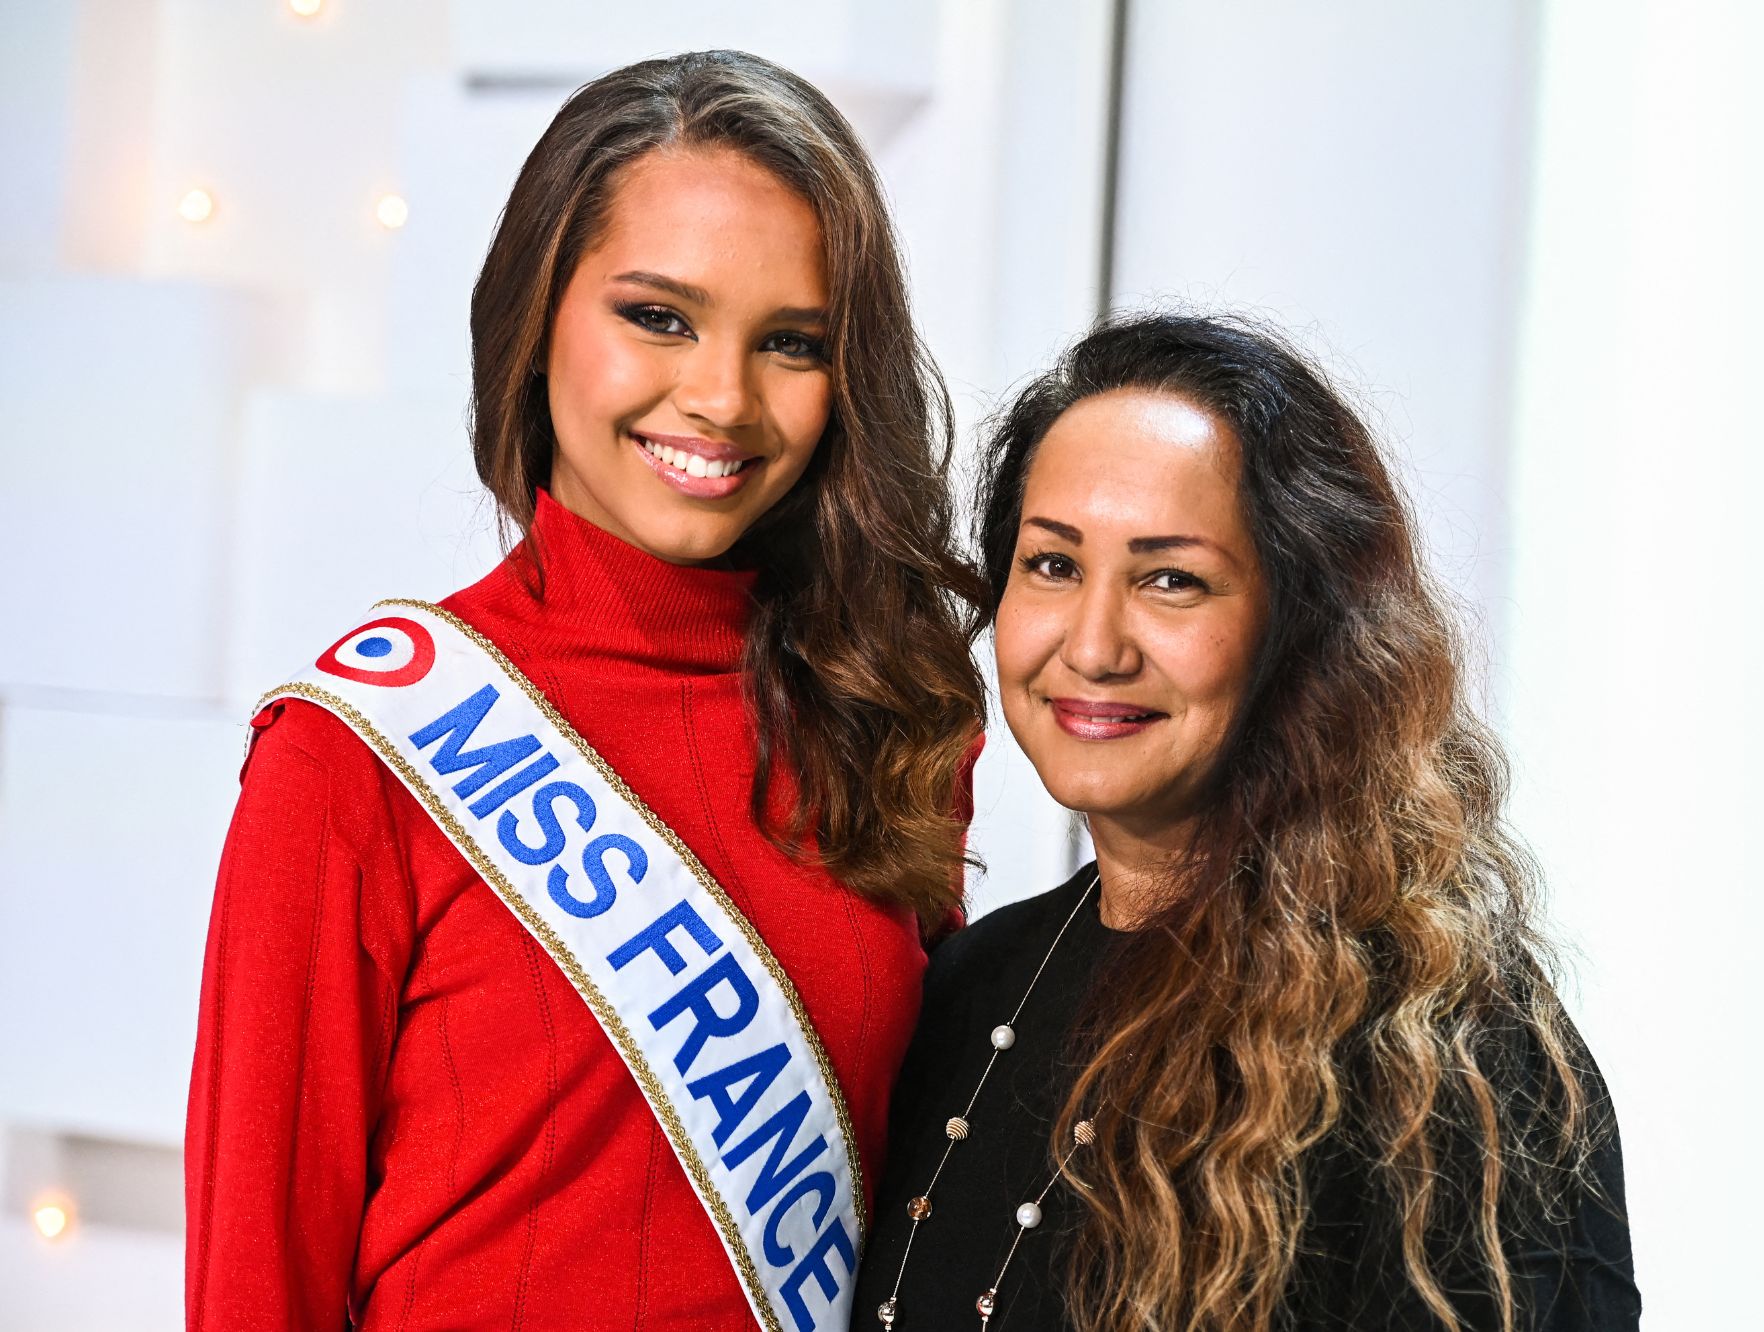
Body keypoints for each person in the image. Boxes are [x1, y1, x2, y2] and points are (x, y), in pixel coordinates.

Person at [186, 51, 984, 1331]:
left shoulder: (888, 721)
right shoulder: (357, 752)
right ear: (535, 312)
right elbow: (253, 1287)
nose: (721, 400)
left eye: (790, 343)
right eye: (657, 316)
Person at [853, 315, 1640, 1331]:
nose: (1091, 646)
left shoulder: (1441, 1044)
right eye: (1051, 564)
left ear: (1299, 620)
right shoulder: (968, 987)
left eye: (1169, 579)